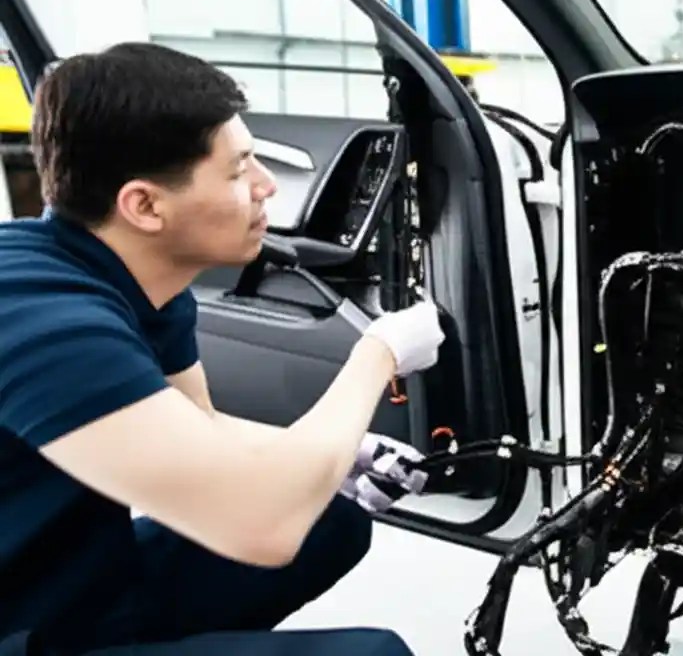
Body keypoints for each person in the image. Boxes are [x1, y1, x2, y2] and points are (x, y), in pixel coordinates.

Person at [0, 43, 444, 655]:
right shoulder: (50, 328)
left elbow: (198, 425)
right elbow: (264, 527)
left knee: (332, 518)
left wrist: (348, 449)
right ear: (145, 205)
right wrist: (379, 354)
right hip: (20, 626)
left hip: (66, 579)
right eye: (238, 171)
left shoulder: (140, 278)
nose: (266, 186)